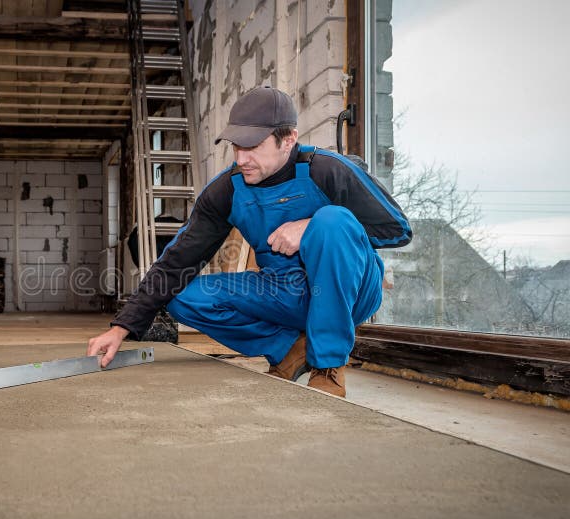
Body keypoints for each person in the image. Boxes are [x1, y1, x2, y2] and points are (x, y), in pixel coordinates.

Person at [87, 86, 412, 397]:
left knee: (332, 221)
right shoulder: (227, 190)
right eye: (236, 147)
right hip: (286, 291)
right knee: (178, 295)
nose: (241, 158)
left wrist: (309, 226)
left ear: (288, 139)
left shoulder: (328, 170)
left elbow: (397, 230)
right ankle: (289, 348)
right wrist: (122, 327)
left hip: (351, 292)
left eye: (253, 146)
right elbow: (176, 261)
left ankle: (328, 365)